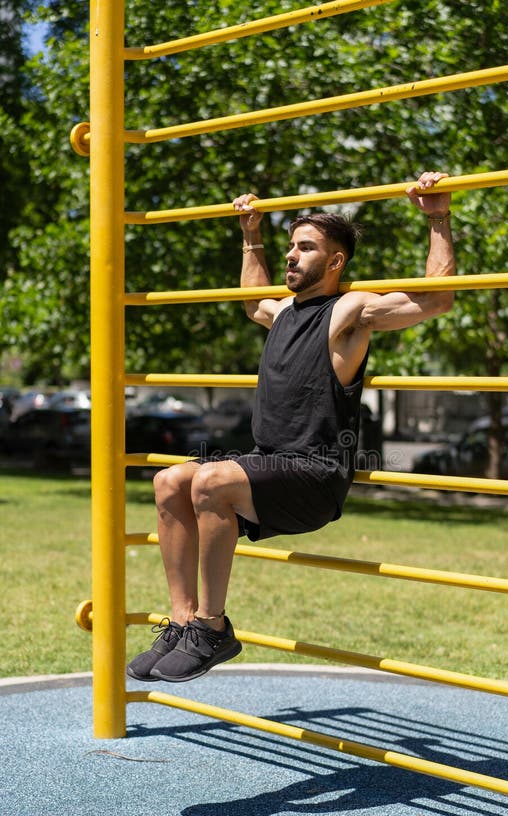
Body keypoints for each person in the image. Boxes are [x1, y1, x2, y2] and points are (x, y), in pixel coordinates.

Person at [127, 171, 455, 683]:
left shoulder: (347, 310)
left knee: (211, 481)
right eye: (290, 247)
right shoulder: (282, 311)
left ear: (335, 261)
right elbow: (251, 299)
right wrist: (251, 234)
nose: (292, 256)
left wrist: (437, 216)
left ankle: (214, 629)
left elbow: (438, 299)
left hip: (314, 475)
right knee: (168, 481)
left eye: (305, 247)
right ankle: (186, 621)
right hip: (269, 464)